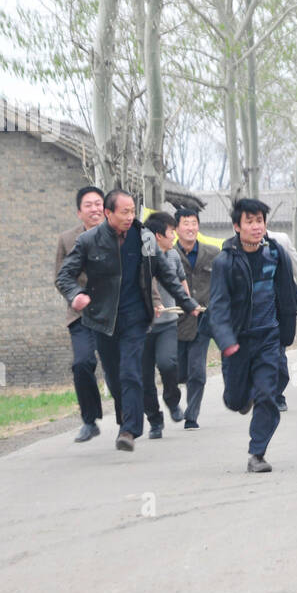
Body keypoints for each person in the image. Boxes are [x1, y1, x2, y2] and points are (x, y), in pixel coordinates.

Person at [57, 190, 200, 452]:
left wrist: (187, 302)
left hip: (136, 317)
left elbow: (166, 274)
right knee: (114, 377)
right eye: (124, 212)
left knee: (130, 371)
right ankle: (126, 419)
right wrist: (76, 295)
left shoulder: (145, 237)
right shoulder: (89, 240)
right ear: (108, 214)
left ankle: (129, 430)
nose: (130, 216)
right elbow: (64, 275)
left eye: (132, 210)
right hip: (102, 319)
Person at [207, 198, 297, 474]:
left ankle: (257, 453)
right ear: (237, 226)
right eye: (249, 221)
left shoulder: (276, 254)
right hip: (239, 341)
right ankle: (243, 397)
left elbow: (287, 286)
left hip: (269, 337)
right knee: (235, 400)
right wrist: (226, 342)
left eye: (260, 221)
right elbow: (217, 306)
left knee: (268, 394)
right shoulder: (225, 262)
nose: (256, 226)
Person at [55, 186, 106, 442]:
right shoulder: (67, 240)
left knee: (120, 368)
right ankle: (90, 419)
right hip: (82, 314)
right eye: (89, 205)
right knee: (82, 363)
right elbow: (61, 277)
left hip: (113, 312)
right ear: (79, 212)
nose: (95, 209)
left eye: (99, 204)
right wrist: (75, 295)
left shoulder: (120, 234)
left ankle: (130, 419)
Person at [141, 212, 187, 439]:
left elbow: (181, 280)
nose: (174, 236)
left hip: (167, 323)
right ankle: (154, 420)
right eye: (171, 232)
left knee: (168, 364)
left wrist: (189, 303)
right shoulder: (140, 258)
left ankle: (172, 400)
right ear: (158, 236)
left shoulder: (173, 256)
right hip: (142, 328)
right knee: (144, 378)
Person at [173, 207, 218, 431]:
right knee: (179, 371)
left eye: (193, 223)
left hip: (203, 320)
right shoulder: (167, 255)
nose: (190, 228)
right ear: (176, 229)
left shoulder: (212, 254)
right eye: (185, 224)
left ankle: (192, 415)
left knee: (197, 370)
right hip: (177, 322)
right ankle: (175, 400)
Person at [265, 228, 297, 413]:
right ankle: (267, 395)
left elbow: (289, 282)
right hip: (257, 317)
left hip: (279, 314)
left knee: (280, 362)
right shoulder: (238, 254)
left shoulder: (279, 247)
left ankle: (276, 394)